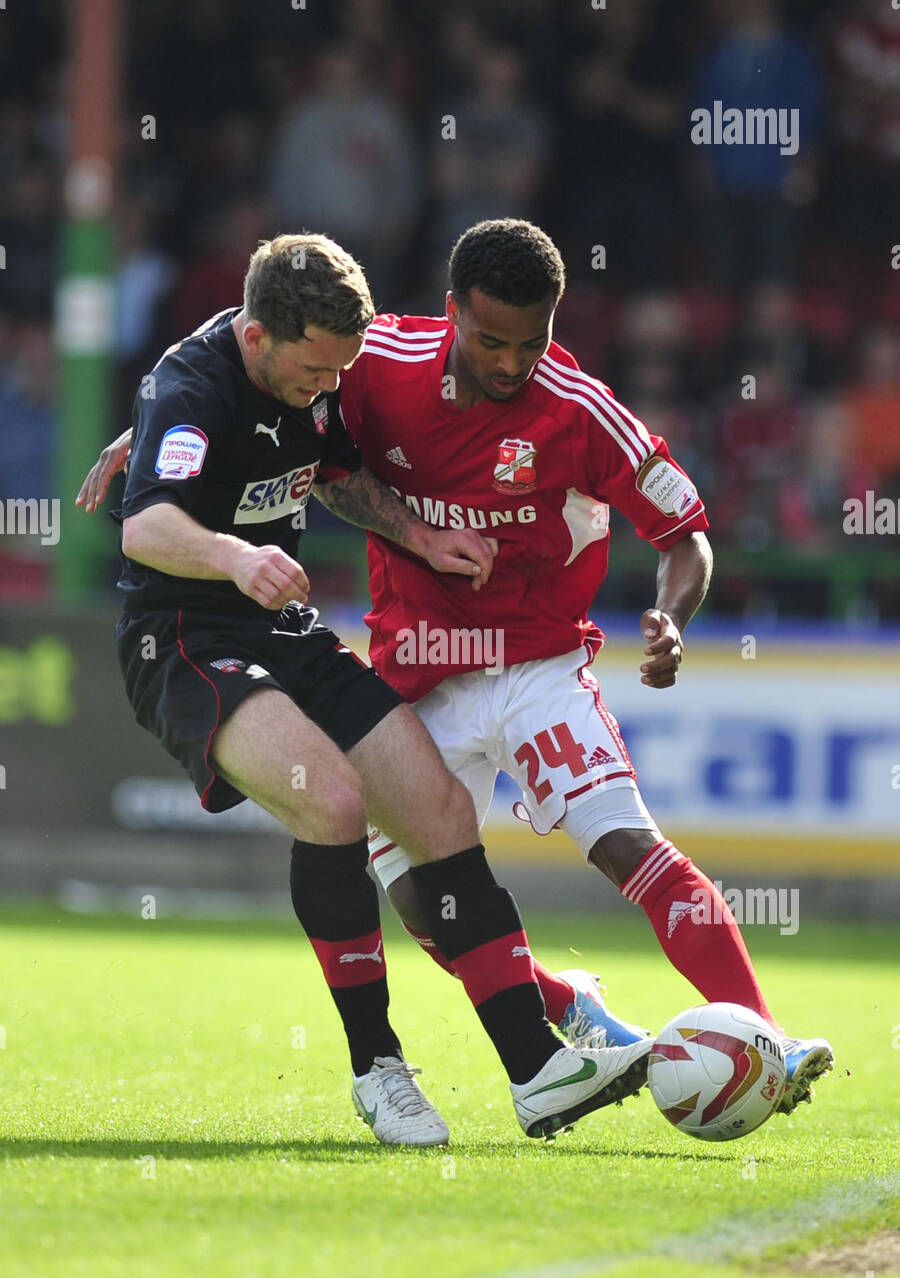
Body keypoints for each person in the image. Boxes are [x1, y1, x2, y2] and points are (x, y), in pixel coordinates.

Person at [79, 222, 832, 1116]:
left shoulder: (580, 410)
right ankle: (568, 1014)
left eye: (532, 341)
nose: (512, 363)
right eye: (490, 340)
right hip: (413, 667)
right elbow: (253, 354)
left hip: (536, 662)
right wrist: (158, 424)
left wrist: (674, 614)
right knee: (419, 896)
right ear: (452, 315)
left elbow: (686, 534)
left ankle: (760, 1037)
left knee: (624, 842)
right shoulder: (372, 360)